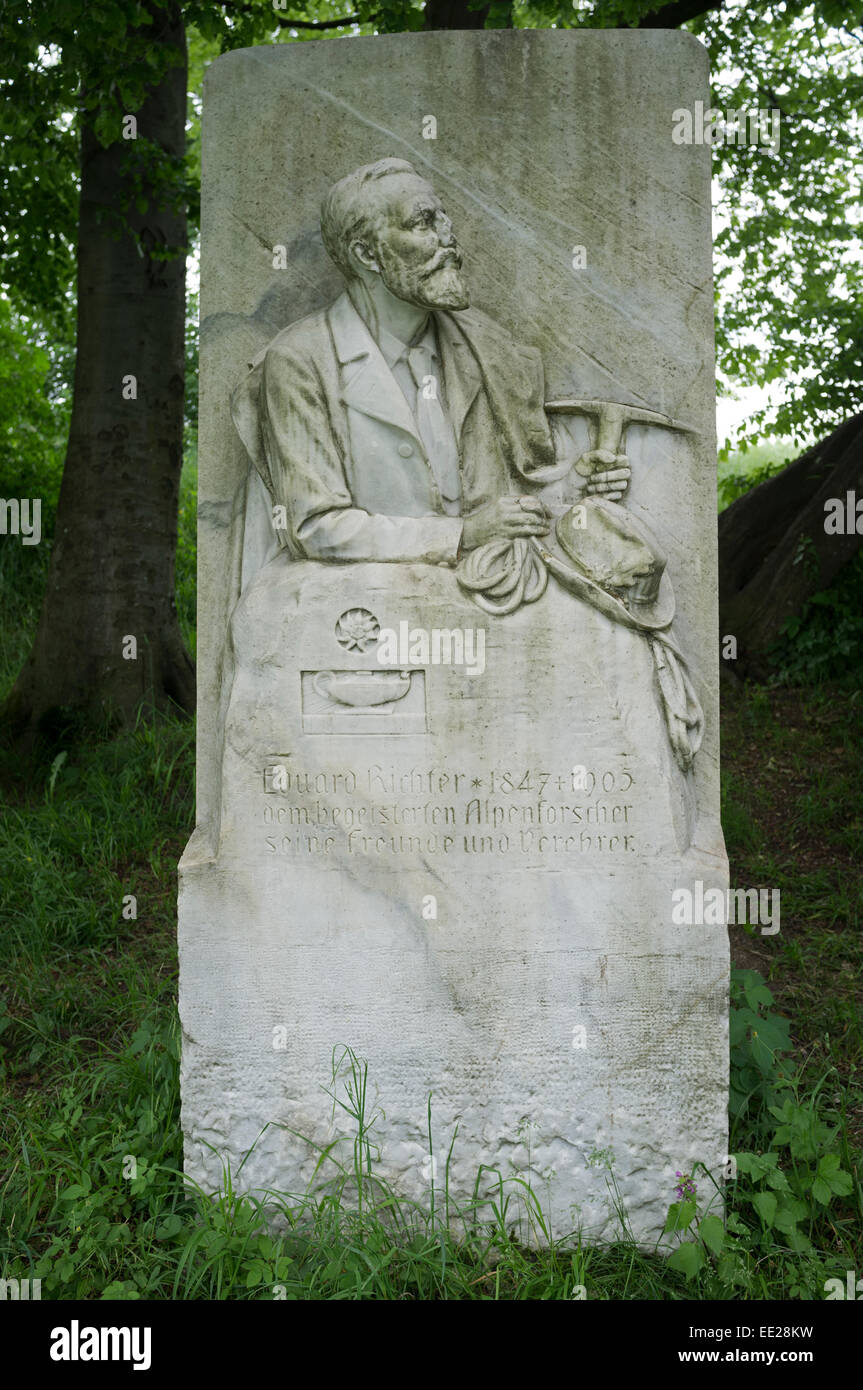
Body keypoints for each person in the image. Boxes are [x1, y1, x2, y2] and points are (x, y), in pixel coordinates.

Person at [230, 158, 629, 566]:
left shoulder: (483, 348)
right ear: (366, 253)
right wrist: (461, 534)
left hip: (485, 583)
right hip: (363, 600)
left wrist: (570, 486)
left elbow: (501, 506)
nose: (448, 237)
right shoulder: (301, 360)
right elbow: (315, 529)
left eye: (444, 218)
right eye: (423, 223)